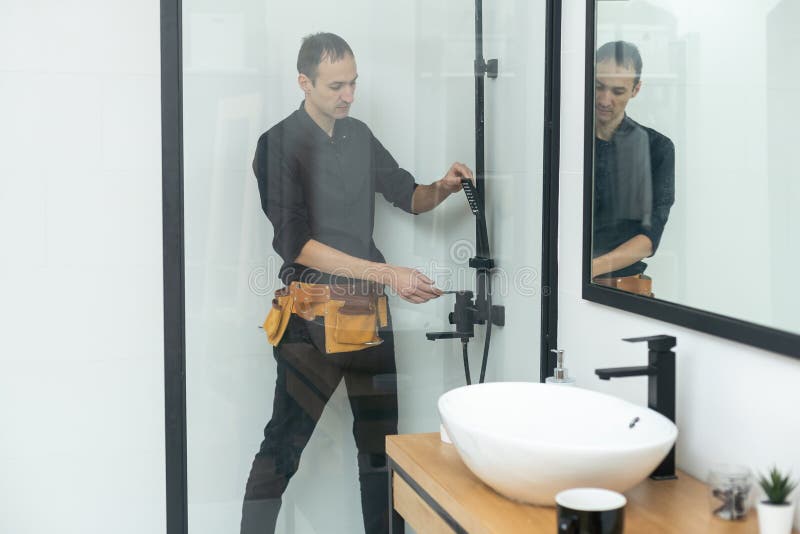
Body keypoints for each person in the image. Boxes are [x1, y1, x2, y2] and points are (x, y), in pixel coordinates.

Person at [241, 32, 474, 534]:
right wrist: (388, 273)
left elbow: (407, 195)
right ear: (304, 83)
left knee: (380, 452)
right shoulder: (276, 144)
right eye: (335, 86)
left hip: (370, 318)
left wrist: (444, 188)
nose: (348, 95)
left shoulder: (360, 134)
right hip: (309, 321)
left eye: (353, 84)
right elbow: (297, 244)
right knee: (283, 447)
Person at [591, 40, 675, 297]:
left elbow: (649, 239)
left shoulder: (657, 148)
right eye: (598, 87)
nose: (605, 99)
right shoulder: (565, 144)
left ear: (636, 90)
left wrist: (588, 269)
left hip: (627, 294)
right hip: (563, 288)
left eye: (617, 91)